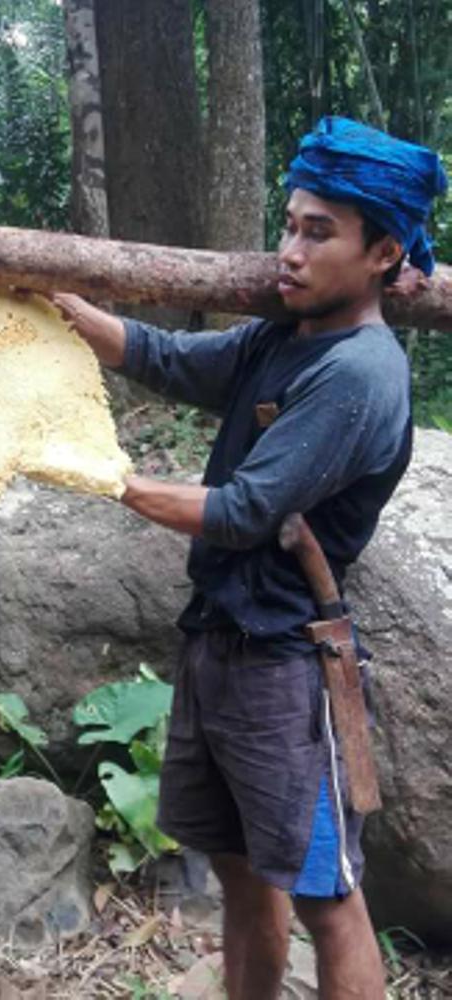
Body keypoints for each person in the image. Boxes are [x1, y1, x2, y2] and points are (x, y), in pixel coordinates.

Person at [53, 117, 447, 1000]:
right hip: (219, 650)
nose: (290, 251)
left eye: (319, 233)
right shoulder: (283, 336)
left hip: (287, 673)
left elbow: (242, 511)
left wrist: (97, 473)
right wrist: (74, 317)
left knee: (328, 898)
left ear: (384, 252)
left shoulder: (359, 375)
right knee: (239, 876)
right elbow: (167, 357)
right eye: (289, 224)